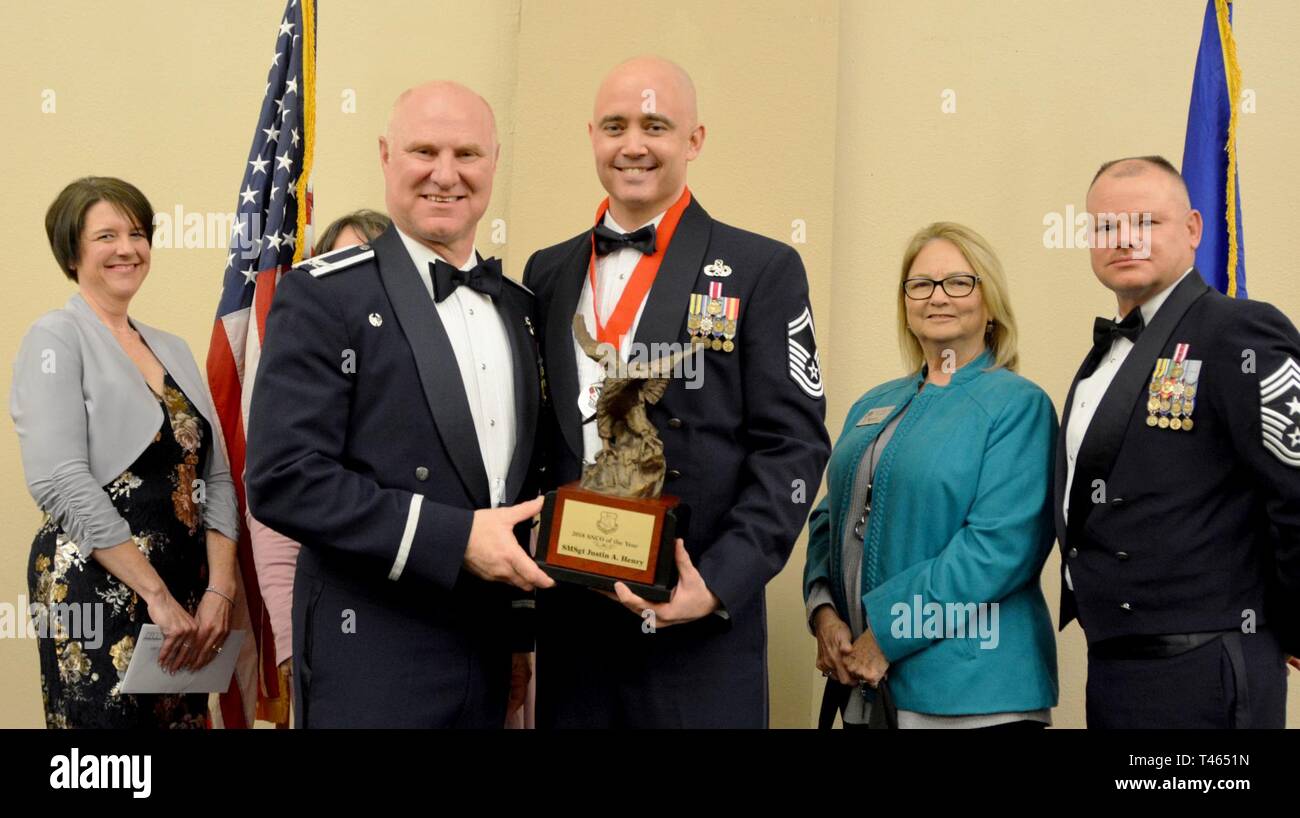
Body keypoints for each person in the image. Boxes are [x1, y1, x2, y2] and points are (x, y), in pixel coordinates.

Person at [523, 56, 831, 728]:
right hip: (573, 630)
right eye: (615, 125)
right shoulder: (546, 272)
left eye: (656, 125)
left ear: (694, 141)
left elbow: (794, 449)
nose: (633, 144)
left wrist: (717, 582)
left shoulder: (761, 270)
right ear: (592, 136)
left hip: (696, 634)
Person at [246, 82, 553, 728]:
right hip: (373, 658)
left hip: (489, 658)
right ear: (386, 156)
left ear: (494, 162)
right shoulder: (324, 297)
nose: (446, 174)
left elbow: (523, 488)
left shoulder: (521, 310)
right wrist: (455, 538)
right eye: (424, 151)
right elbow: (283, 479)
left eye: (467, 153)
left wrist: (521, 633)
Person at [1058, 155, 1300, 728]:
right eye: (1107, 226)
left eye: (1146, 222)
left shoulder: (1239, 330)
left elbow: (1294, 485)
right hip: (1117, 667)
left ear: (1193, 228)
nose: (1125, 240)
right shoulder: (1101, 360)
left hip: (1208, 664)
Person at [804, 222, 1058, 729]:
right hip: (865, 683)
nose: (937, 297)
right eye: (920, 284)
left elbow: (999, 549)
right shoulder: (872, 404)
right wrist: (824, 611)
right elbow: (829, 516)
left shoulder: (1018, 406)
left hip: (974, 694)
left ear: (990, 304)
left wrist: (889, 632)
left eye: (959, 282)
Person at [12, 176, 241, 728]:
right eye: (106, 235)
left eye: (137, 233)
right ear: (72, 253)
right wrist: (155, 596)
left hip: (188, 597)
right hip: (97, 588)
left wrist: (220, 590)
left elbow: (218, 477)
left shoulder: (174, 348)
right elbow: (62, 480)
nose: (127, 249)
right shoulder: (55, 337)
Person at [248, 209, 392, 727]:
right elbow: (277, 525)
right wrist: (289, 644)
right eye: (342, 261)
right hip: (334, 628)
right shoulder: (309, 364)